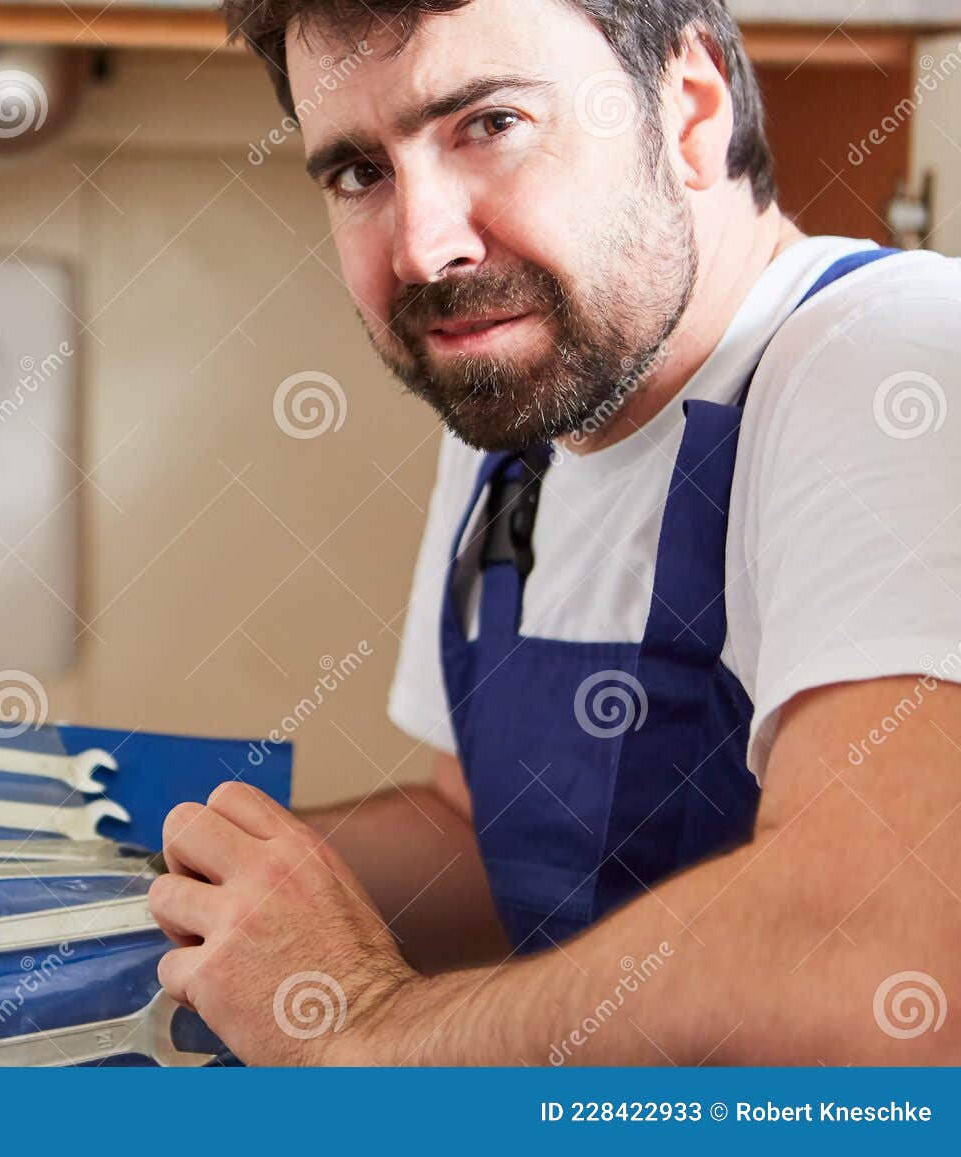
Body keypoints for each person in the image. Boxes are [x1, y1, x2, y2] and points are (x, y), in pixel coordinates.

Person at [149, 0, 961, 1065]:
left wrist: (366, 1028)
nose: (424, 248)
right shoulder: (525, 405)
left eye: (490, 125)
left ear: (689, 109)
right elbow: (484, 835)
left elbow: (886, 959)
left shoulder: (899, 364)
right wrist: (164, 890)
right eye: (358, 171)